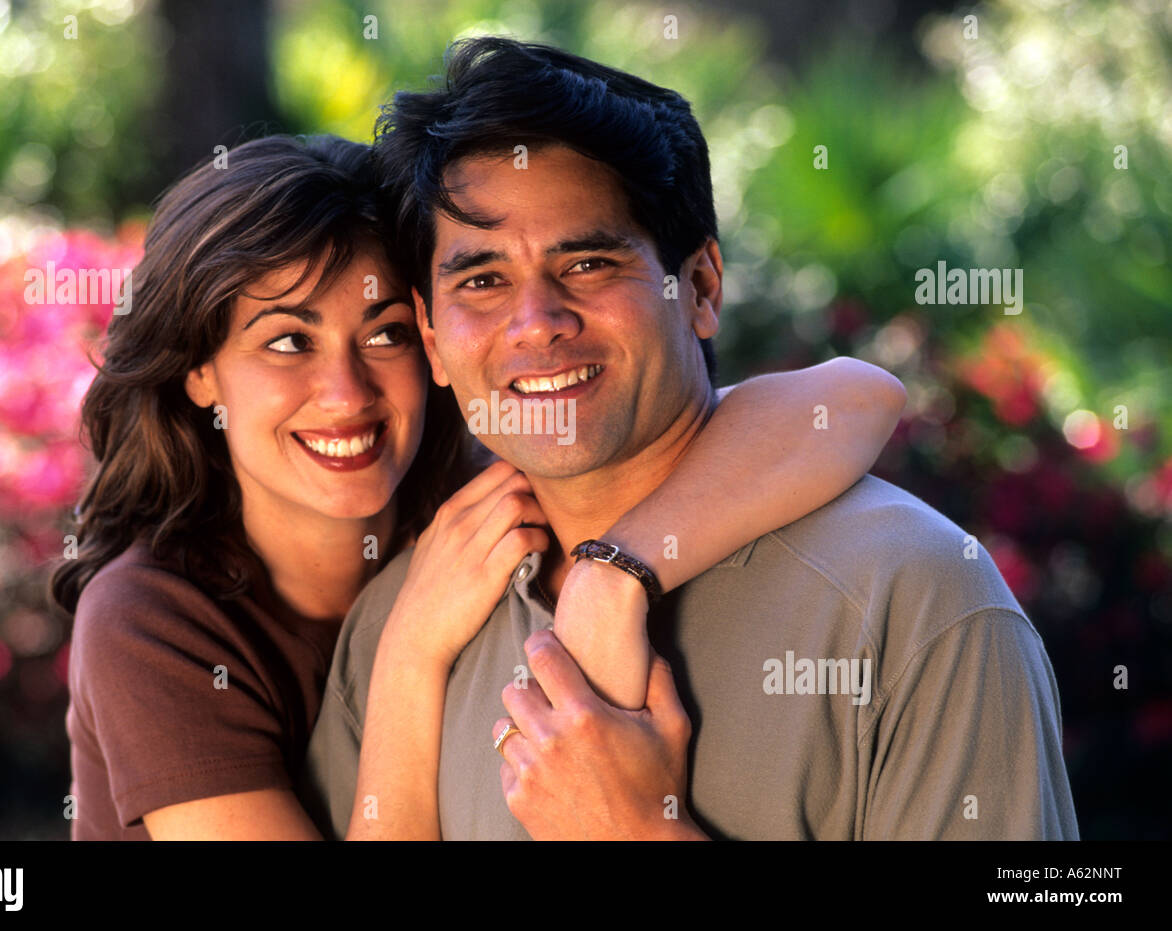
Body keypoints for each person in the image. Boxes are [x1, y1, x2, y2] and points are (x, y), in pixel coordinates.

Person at [303, 37, 1080, 840]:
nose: (536, 325)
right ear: (431, 338)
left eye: (590, 264)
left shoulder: (912, 599)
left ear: (701, 287)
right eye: (483, 280)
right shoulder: (401, 621)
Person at [53, 133, 906, 839]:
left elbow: (861, 397)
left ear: (430, 339)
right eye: (286, 343)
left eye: (383, 332)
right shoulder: (150, 619)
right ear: (200, 370)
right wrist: (411, 651)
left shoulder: (480, 502)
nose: (346, 393)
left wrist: (619, 571)